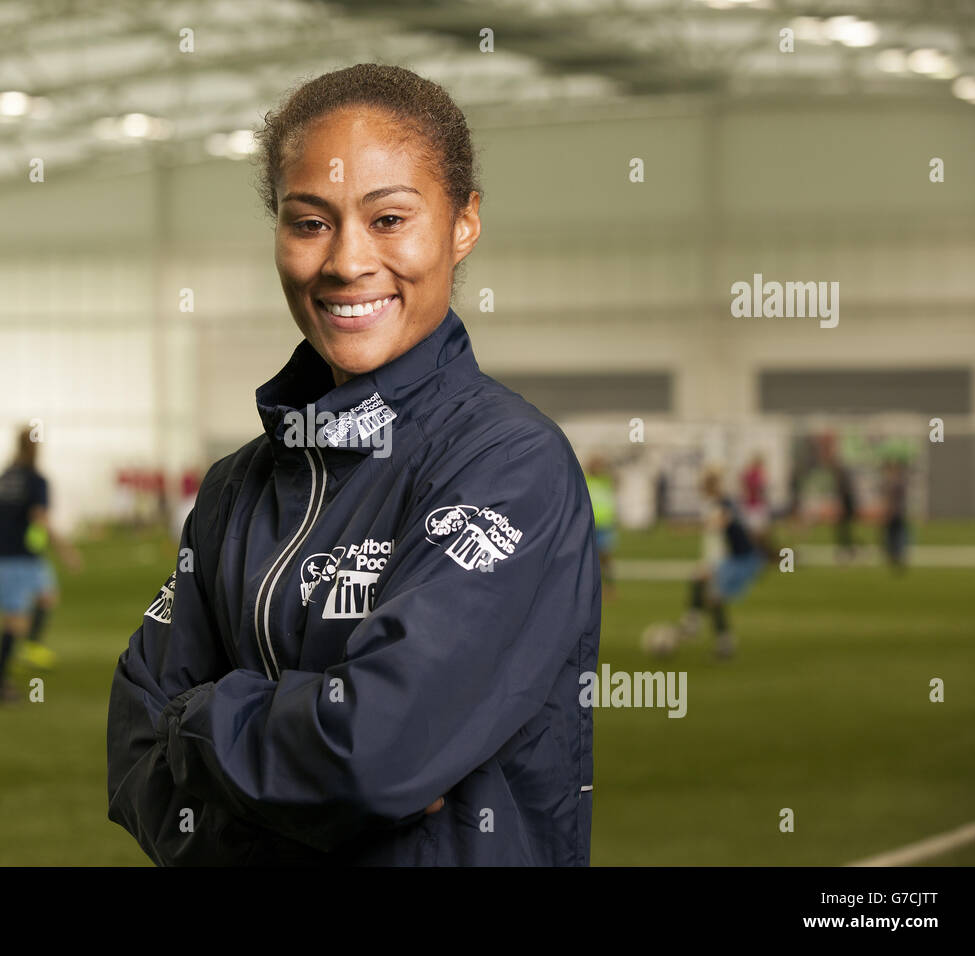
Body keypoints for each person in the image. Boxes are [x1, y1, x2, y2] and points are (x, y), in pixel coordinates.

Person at [106, 64, 600, 866]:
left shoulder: (510, 465)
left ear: (463, 223)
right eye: (310, 223)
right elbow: (132, 750)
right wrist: (299, 748)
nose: (346, 262)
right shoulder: (235, 489)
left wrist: (195, 719)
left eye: (390, 218)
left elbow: (378, 750)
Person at [0, 427, 81, 704]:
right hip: (10, 558)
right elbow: (40, 517)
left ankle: (29, 648)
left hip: (9, 555)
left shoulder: (2, 478)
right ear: (36, 448)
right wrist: (66, 550)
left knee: (46, 596)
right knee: (14, 620)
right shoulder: (35, 481)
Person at [680, 466, 763, 659]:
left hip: (742, 560)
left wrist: (687, 527)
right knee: (701, 582)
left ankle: (721, 642)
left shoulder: (723, 503)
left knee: (713, 596)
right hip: (733, 558)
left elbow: (720, 524)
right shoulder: (717, 502)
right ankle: (696, 624)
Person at [584, 454, 618, 598]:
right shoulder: (585, 480)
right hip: (590, 524)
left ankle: (610, 587)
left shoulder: (606, 480)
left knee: (605, 559)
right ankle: (592, 588)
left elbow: (618, 480)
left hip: (605, 524)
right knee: (590, 558)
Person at [879, 456, 910, 573]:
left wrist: (889, 511)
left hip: (895, 512)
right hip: (895, 512)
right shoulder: (893, 481)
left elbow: (892, 499)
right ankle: (894, 556)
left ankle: (896, 556)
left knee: (896, 535)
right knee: (893, 535)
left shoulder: (895, 482)